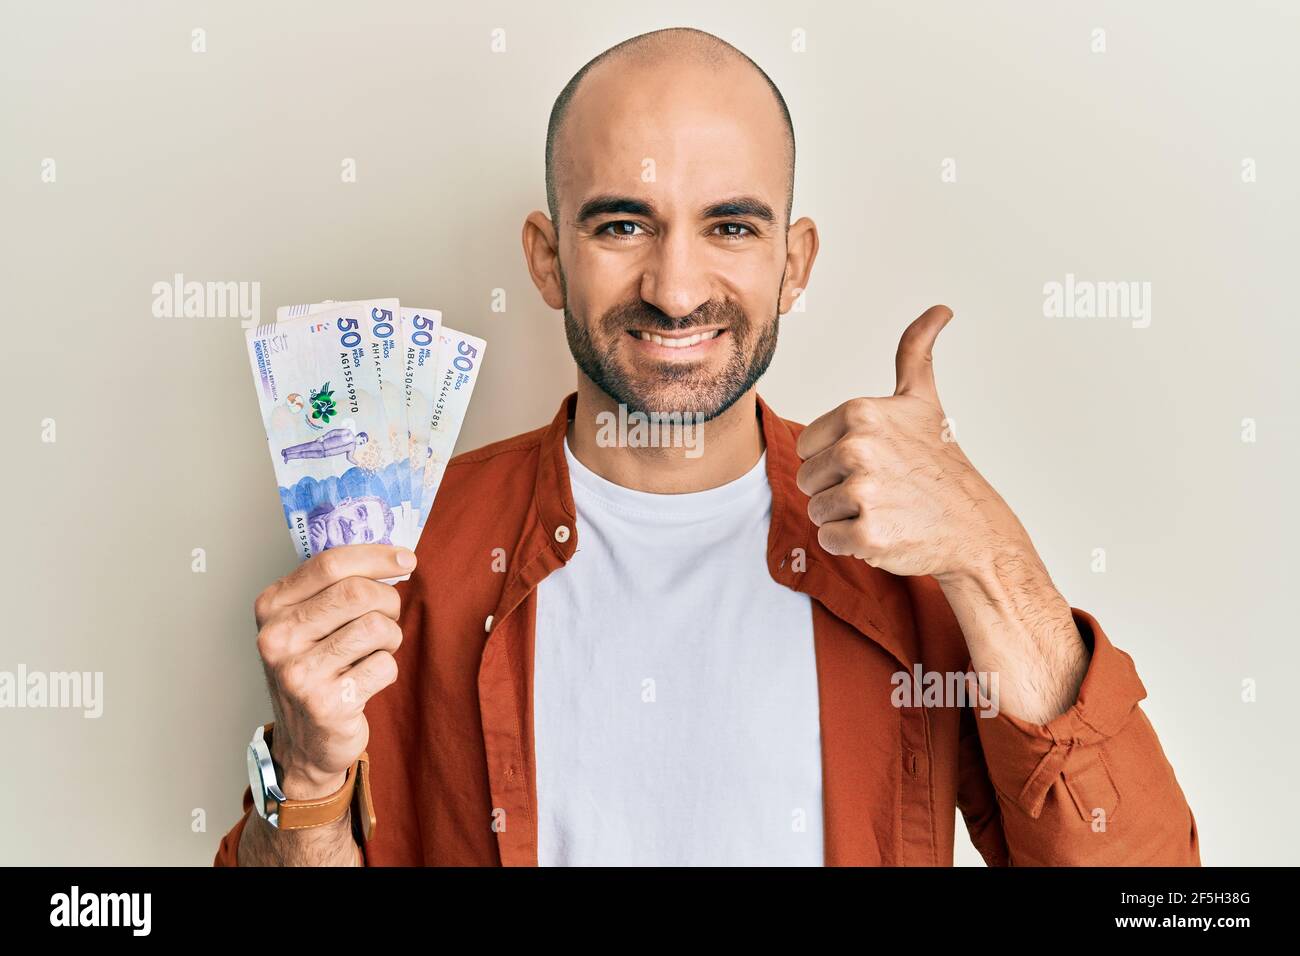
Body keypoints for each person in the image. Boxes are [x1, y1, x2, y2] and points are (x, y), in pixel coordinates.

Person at [217, 27, 1198, 867]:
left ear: (793, 261)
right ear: (547, 258)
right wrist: (303, 780)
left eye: (729, 224)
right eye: (620, 224)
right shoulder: (403, 555)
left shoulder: (916, 558)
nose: (676, 288)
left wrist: (992, 554)